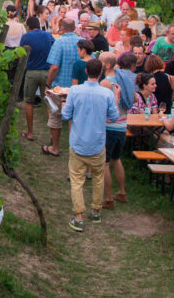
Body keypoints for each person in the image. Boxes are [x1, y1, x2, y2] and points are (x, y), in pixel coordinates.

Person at [61, 58, 119, 232]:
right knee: (98, 177)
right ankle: (95, 210)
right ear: (101, 73)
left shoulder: (75, 91)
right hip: (97, 142)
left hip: (78, 141)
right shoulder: (106, 93)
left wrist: (63, 102)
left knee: (77, 180)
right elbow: (114, 117)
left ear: (86, 71)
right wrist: (116, 98)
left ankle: (78, 216)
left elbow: (65, 115)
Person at [43, 19, 85, 154]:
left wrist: (48, 84)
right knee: (77, 118)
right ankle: (76, 149)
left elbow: (54, 67)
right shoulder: (82, 42)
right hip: (78, 87)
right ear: (74, 27)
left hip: (60, 87)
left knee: (55, 116)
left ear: (61, 27)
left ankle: (55, 147)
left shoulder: (59, 42)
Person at [101, 52, 135, 207]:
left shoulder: (107, 83)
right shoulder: (123, 79)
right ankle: (122, 192)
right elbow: (132, 98)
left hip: (109, 126)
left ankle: (108, 198)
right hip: (122, 125)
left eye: (100, 61)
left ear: (107, 65)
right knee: (117, 159)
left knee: (105, 163)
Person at [18, 16, 54, 147]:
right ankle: (52, 134)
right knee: (49, 103)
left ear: (28, 26)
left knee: (29, 101)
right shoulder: (47, 36)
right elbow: (53, 46)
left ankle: (30, 132)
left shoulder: (26, 37)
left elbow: (20, 53)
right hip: (46, 72)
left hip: (31, 72)